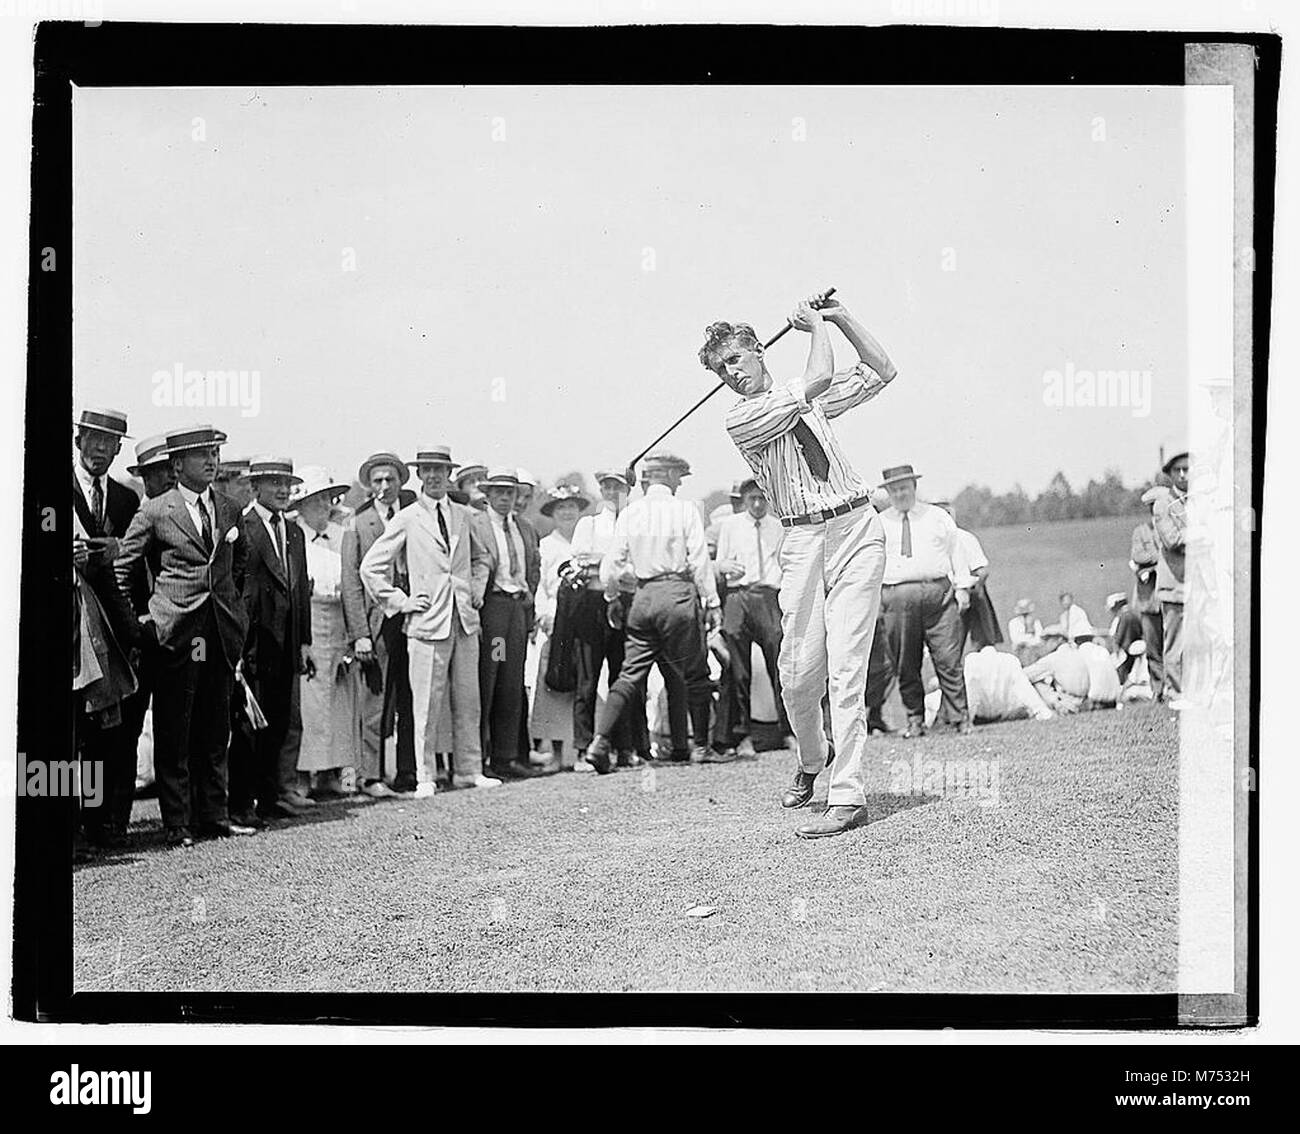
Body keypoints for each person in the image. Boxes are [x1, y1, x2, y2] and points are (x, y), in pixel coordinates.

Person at [703, 294, 898, 839]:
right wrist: (815, 329)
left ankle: (847, 793)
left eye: (736, 361)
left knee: (846, 664)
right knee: (797, 676)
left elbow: (882, 370)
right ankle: (813, 759)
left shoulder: (805, 397)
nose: (730, 375)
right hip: (803, 540)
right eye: (721, 370)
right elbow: (816, 378)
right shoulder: (743, 418)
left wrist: (840, 318)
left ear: (759, 351)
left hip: (857, 527)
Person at [115, 424, 250, 846]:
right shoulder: (156, 510)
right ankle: (177, 822)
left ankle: (214, 815)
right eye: (200, 455)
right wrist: (138, 625)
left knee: (215, 725)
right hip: (177, 633)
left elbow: (239, 561)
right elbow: (123, 569)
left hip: (220, 631)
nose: (211, 460)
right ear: (177, 464)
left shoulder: (229, 508)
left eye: (214, 452)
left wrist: (236, 610)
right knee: (177, 726)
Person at [359, 444, 499, 793]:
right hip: (425, 623)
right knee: (425, 704)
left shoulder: (464, 515)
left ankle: (469, 769)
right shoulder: (407, 517)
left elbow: (483, 559)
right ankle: (425, 775)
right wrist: (402, 601)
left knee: (469, 699)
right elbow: (370, 567)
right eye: (428, 470)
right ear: (419, 475)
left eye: (441, 470)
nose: (435, 476)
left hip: (464, 620)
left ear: (450, 474)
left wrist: (476, 589)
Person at [584, 451, 720, 772]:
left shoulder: (630, 513)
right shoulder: (686, 510)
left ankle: (599, 741)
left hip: (643, 596)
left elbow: (611, 567)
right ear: (670, 476)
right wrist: (711, 601)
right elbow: (699, 561)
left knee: (630, 673)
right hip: (677, 593)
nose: (679, 483)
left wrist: (613, 596)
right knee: (695, 672)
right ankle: (700, 746)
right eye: (678, 477)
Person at [72, 408, 143, 848]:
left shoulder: (124, 499)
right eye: (93, 439)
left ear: (118, 449)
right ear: (78, 440)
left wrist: (114, 549)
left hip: (109, 625)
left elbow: (130, 568)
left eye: (109, 443)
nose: (100, 449)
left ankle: (97, 823)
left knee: (103, 727)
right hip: (68, 620)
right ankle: (70, 825)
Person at [229, 457, 315, 825]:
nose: (282, 490)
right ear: (255, 487)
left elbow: (301, 592)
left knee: (279, 722)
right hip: (254, 645)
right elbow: (236, 589)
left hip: (287, 644)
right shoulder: (243, 527)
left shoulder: (294, 533)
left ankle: (268, 798)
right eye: (274, 483)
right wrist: (237, 647)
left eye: (286, 483)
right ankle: (240, 804)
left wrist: (305, 641)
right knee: (249, 727)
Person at [341, 451, 420, 795]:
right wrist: (360, 634)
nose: (384, 487)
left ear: (401, 482)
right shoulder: (358, 523)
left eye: (391, 480)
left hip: (414, 616)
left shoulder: (415, 516)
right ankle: (371, 776)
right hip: (376, 624)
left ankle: (408, 771)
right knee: (375, 702)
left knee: (411, 697)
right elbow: (351, 582)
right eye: (378, 481)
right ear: (369, 485)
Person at [877, 465, 974, 738]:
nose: (900, 493)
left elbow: (957, 551)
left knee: (948, 658)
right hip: (896, 598)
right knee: (905, 662)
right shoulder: (880, 523)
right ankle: (915, 720)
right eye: (894, 489)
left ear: (914, 487)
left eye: (904, 487)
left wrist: (963, 588)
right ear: (887, 492)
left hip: (938, 596)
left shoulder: (936, 516)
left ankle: (960, 718)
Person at [290, 468, 366, 798]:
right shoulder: (294, 537)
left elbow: (352, 584)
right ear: (302, 504)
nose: (323, 505)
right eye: (316, 500)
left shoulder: (341, 536)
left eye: (327, 499)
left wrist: (354, 632)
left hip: (339, 620)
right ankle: (304, 776)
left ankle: (334, 772)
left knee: (339, 699)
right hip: (309, 620)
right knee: (310, 700)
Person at [568, 469, 650, 770]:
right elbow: (581, 558)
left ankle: (625, 746)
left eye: (618, 487)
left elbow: (636, 564)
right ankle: (583, 747)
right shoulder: (589, 523)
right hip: (592, 604)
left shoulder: (635, 523)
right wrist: (612, 564)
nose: (612, 492)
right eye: (607, 486)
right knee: (588, 678)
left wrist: (607, 563)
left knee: (623, 676)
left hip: (626, 602)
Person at [471, 466, 549, 781]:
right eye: (499, 492)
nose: (505, 498)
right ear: (487, 495)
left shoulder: (525, 528)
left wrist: (528, 607)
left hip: (517, 611)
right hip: (493, 611)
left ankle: (506, 756)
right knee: (491, 677)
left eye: (510, 492)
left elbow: (533, 568)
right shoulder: (476, 525)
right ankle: (481, 756)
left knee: (512, 682)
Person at [711, 477, 790, 757]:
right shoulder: (730, 526)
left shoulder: (779, 526)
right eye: (751, 499)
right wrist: (723, 566)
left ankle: (788, 731)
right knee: (737, 669)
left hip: (768, 597)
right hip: (738, 597)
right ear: (743, 500)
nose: (757, 504)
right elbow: (719, 564)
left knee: (779, 664)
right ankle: (741, 736)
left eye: (762, 498)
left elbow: (788, 565)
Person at [530, 482, 588, 769]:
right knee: (552, 684)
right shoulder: (546, 545)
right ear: (552, 513)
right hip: (556, 618)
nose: (567, 512)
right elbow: (539, 585)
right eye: (561, 508)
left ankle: (581, 750)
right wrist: (544, 613)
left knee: (586, 682)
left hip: (583, 619)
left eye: (572, 507)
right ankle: (553, 751)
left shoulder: (586, 542)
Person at [934, 500, 1001, 652]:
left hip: (971, 592)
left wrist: (975, 590)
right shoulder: (935, 542)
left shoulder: (964, 537)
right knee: (950, 644)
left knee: (983, 643)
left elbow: (982, 571)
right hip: (948, 593)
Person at [1151, 448, 1188, 702]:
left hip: (1200, 585)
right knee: (1175, 643)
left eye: (1188, 469)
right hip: (1174, 585)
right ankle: (1176, 693)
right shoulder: (1162, 505)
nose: (1184, 475)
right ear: (1170, 474)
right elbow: (1173, 540)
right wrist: (1205, 535)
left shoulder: (1200, 501)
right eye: (1178, 470)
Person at [955, 645, 1052, 723]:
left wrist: (967, 719)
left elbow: (971, 693)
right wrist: (1042, 710)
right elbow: (1025, 689)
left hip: (981, 716)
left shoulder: (972, 661)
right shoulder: (1009, 659)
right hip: (1009, 714)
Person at [1130, 490, 1166, 699]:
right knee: (1153, 648)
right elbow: (1138, 555)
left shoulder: (1168, 528)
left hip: (1168, 598)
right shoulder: (1140, 532)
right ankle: (1158, 690)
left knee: (1172, 645)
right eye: (1152, 508)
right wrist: (1159, 558)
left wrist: (1151, 563)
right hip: (1148, 600)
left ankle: (1172, 689)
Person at [1021, 628, 1091, 715]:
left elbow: (1022, 676)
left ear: (1059, 639)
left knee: (1036, 682)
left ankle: (1041, 712)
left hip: (1068, 703)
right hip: (1084, 701)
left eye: (1047, 639)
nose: (1044, 644)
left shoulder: (1054, 658)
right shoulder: (1077, 653)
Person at [1075, 628, 1121, 708]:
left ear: (1077, 642)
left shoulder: (1080, 652)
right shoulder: (1103, 650)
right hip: (1113, 700)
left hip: (1095, 700)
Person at [1107, 592, 1145, 685]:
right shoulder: (1134, 614)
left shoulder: (1123, 617)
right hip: (1134, 648)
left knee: (1121, 673)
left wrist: (1116, 647)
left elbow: (1120, 635)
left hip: (1125, 650)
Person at [1007, 598, 1044, 663]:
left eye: (1027, 614)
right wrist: (1025, 642)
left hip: (1034, 651)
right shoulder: (1013, 623)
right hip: (1019, 651)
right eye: (1022, 614)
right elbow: (1015, 640)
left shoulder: (1036, 622)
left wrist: (1030, 643)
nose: (1025, 616)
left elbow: (1039, 638)